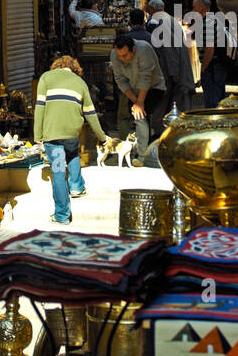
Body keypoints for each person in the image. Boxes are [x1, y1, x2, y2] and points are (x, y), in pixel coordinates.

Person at [34, 54, 113, 224]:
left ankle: (62, 215)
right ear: (75, 69)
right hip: (71, 133)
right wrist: (102, 136)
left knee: (58, 172)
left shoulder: (46, 78)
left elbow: (40, 106)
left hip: (52, 134)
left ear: (56, 66)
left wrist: (37, 135)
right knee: (71, 151)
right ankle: (77, 186)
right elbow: (90, 113)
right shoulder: (80, 82)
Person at [109, 29, 167, 164]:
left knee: (148, 118)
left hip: (154, 87)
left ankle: (147, 155)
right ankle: (138, 154)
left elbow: (145, 78)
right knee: (138, 116)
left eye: (125, 55)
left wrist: (140, 103)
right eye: (119, 56)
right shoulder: (115, 55)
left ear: (133, 49)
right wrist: (136, 102)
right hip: (133, 91)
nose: (122, 59)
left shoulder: (144, 49)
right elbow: (120, 80)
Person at [146, 0, 195, 113]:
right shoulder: (170, 20)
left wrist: (174, 72)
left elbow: (170, 49)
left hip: (172, 70)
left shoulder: (164, 22)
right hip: (174, 68)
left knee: (173, 101)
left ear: (152, 9)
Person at [190, 0, 237, 108]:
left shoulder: (208, 23)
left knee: (212, 101)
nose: (193, 9)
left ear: (201, 7)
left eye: (194, 6)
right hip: (218, 65)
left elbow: (210, 48)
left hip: (212, 66)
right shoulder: (214, 19)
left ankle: (215, 124)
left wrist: (204, 67)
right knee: (219, 98)